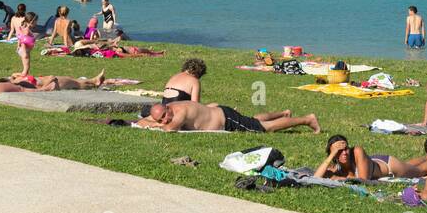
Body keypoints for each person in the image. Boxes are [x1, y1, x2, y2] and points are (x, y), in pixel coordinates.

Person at [135, 101, 319, 134]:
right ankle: (283, 113)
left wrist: (151, 124)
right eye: (160, 120)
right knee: (253, 120)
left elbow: (170, 129)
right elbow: (145, 122)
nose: (164, 120)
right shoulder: (172, 108)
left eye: (165, 116)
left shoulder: (179, 112)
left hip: (227, 119)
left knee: (264, 128)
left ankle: (307, 119)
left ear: (168, 109)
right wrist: (150, 122)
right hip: (223, 113)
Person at [314, 135, 426, 180]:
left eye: (345, 149)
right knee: (409, 165)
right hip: (373, 163)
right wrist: (332, 154)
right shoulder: (335, 167)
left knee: (420, 171)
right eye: (339, 151)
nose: (344, 153)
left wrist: (338, 178)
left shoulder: (357, 151)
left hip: (390, 166)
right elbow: (315, 178)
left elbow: (363, 180)